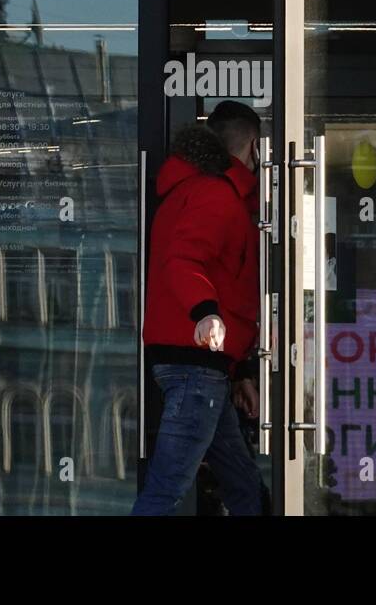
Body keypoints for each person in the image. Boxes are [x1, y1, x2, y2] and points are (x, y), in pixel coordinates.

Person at [132, 100, 265, 516]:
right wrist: (204, 312)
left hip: (206, 366)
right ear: (255, 147)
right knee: (164, 493)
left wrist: (239, 369)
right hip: (196, 366)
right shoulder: (215, 195)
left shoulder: (194, 191)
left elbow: (223, 280)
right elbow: (185, 259)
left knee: (245, 488)